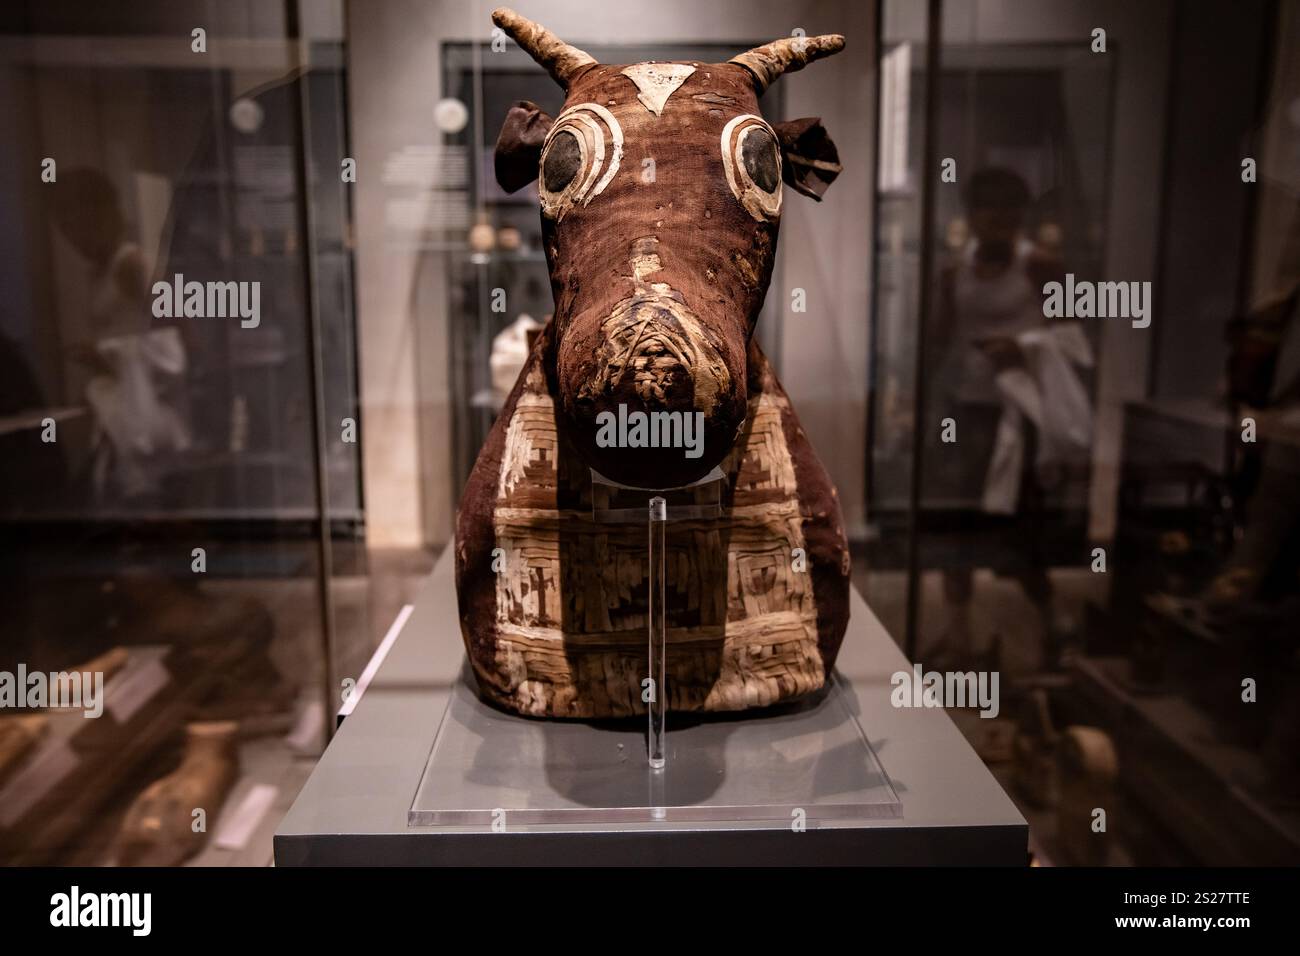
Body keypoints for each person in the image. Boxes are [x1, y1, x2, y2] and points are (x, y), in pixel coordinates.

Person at [929, 167, 1090, 670]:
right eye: (987, 210)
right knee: (956, 523)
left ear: (1021, 217)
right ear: (971, 216)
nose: (998, 221)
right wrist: (923, 408)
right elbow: (937, 345)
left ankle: (1053, 624)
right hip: (968, 412)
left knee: (1020, 532)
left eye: (1009, 211)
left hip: (1020, 420)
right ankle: (959, 638)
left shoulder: (1041, 266)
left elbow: (1077, 342)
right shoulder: (954, 274)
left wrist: (1021, 346)